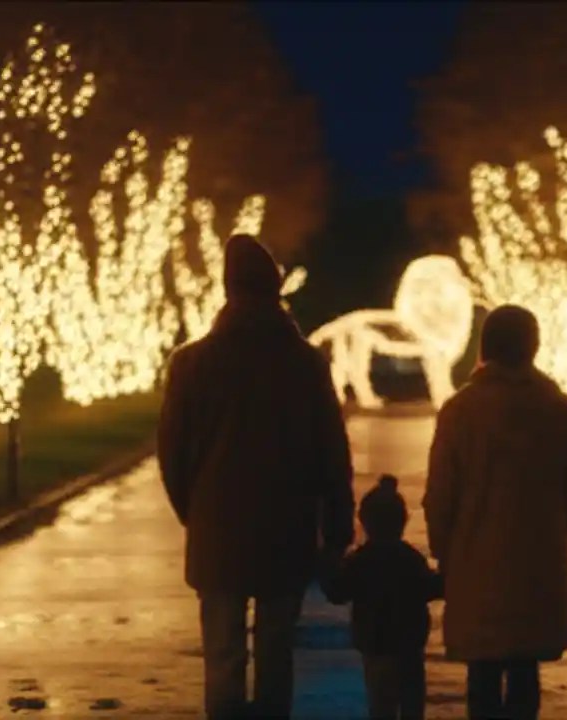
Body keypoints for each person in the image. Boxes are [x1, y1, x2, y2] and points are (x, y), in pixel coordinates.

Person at [157, 234, 355, 719]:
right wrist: (336, 530)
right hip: (286, 527)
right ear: (275, 289)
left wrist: (195, 510)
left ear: (227, 288)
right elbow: (331, 452)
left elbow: (172, 454)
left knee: (223, 652)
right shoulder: (305, 363)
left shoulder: (192, 363)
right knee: (276, 653)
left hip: (217, 527)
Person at [422, 305, 567, 720]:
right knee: (524, 672)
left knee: (482, 675)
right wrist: (561, 538)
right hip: (538, 564)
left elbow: (441, 492)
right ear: (533, 347)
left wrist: (444, 551)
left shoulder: (461, 411)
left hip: (476, 560)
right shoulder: (560, 411)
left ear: (486, 346)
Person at [323, 474, 442, 720]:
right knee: (412, 707)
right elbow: (432, 588)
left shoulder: (360, 560)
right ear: (403, 521)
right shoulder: (411, 559)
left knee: (380, 708)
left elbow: (337, 592)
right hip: (410, 646)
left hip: (375, 647)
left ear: (365, 522)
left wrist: (326, 559)